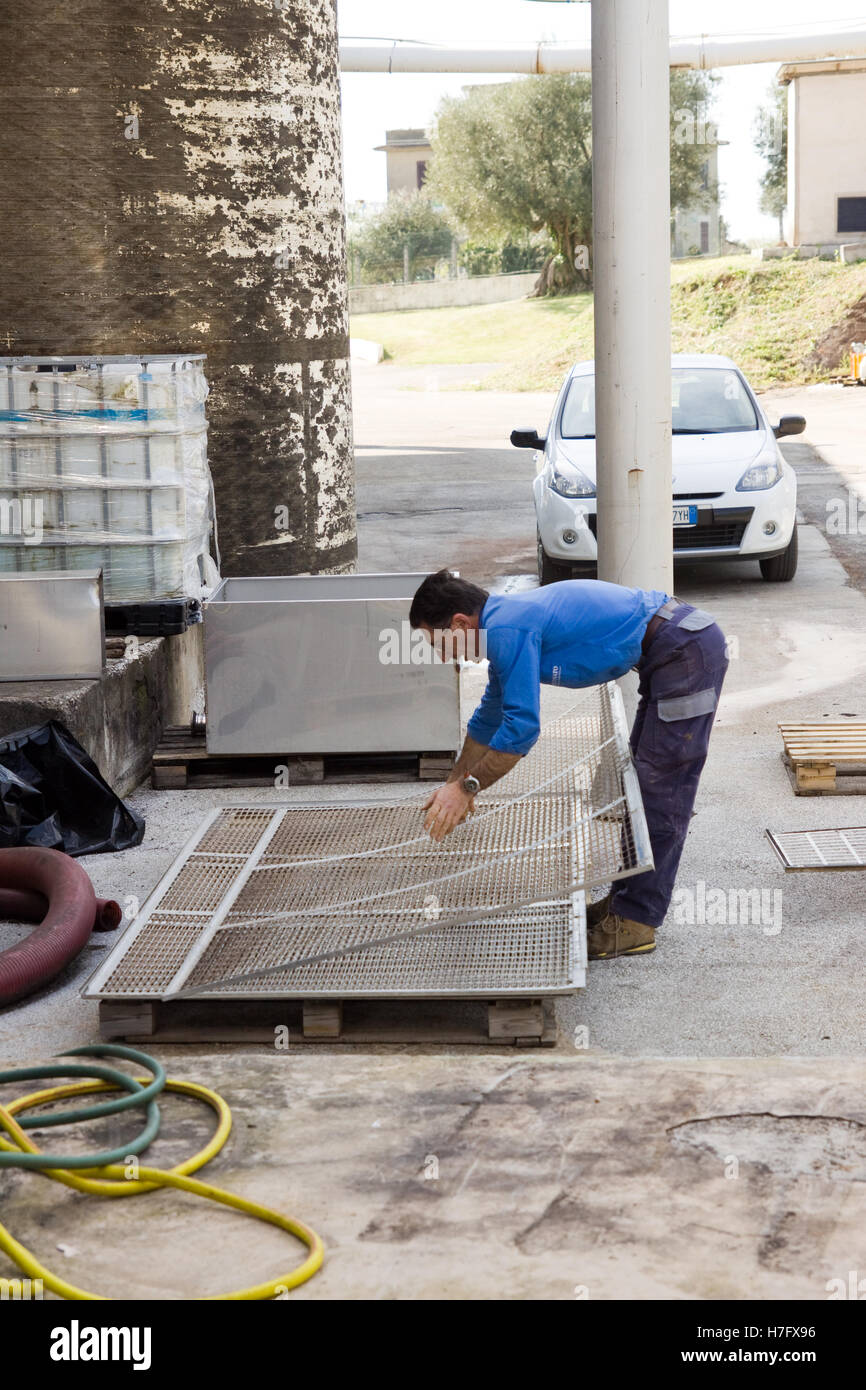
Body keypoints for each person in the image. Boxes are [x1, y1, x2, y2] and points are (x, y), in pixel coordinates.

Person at [409, 569, 728, 960]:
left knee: (661, 790)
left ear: (460, 622)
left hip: (685, 649)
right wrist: (453, 781)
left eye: (438, 643)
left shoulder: (508, 627)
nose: (444, 655)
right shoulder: (503, 624)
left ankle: (636, 923)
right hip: (670, 651)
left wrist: (466, 790)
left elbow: (521, 730)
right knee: (642, 784)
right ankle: (625, 904)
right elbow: (489, 718)